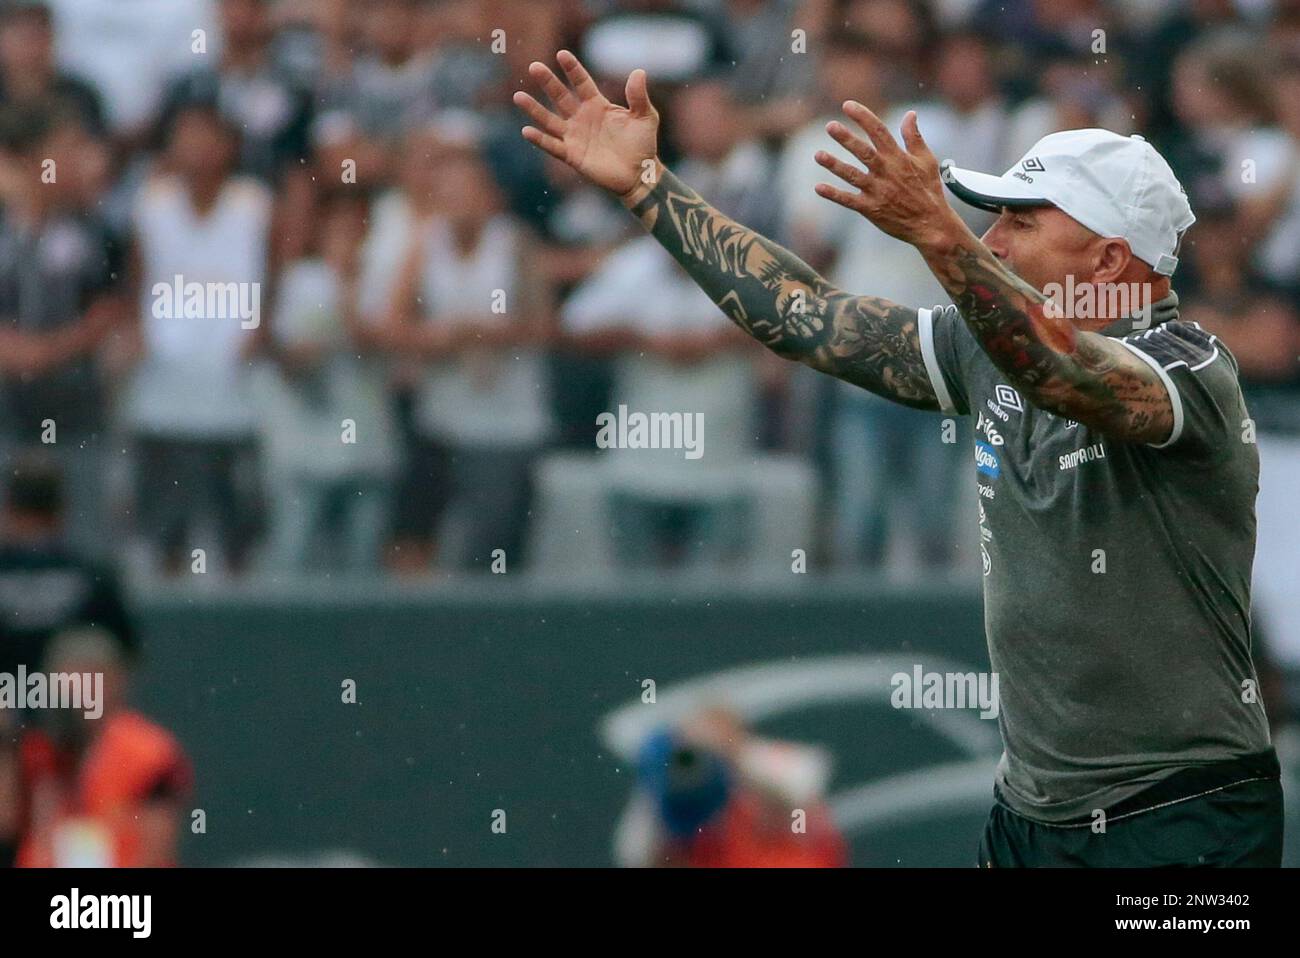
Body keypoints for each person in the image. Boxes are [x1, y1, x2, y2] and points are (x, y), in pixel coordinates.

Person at [515, 50, 1281, 867]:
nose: (994, 239)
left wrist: (937, 232)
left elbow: (1065, 373)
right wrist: (648, 189)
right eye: (990, 220)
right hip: (1032, 812)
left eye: (1022, 222)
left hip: (1181, 812)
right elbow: (810, 315)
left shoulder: (1189, 370)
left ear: (1107, 260)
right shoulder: (990, 345)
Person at [8, 627, 191, 868]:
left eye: (89, 676)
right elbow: (11, 820)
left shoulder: (149, 751)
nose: (74, 691)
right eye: (65, 678)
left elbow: (157, 844)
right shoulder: (36, 748)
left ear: (115, 680)